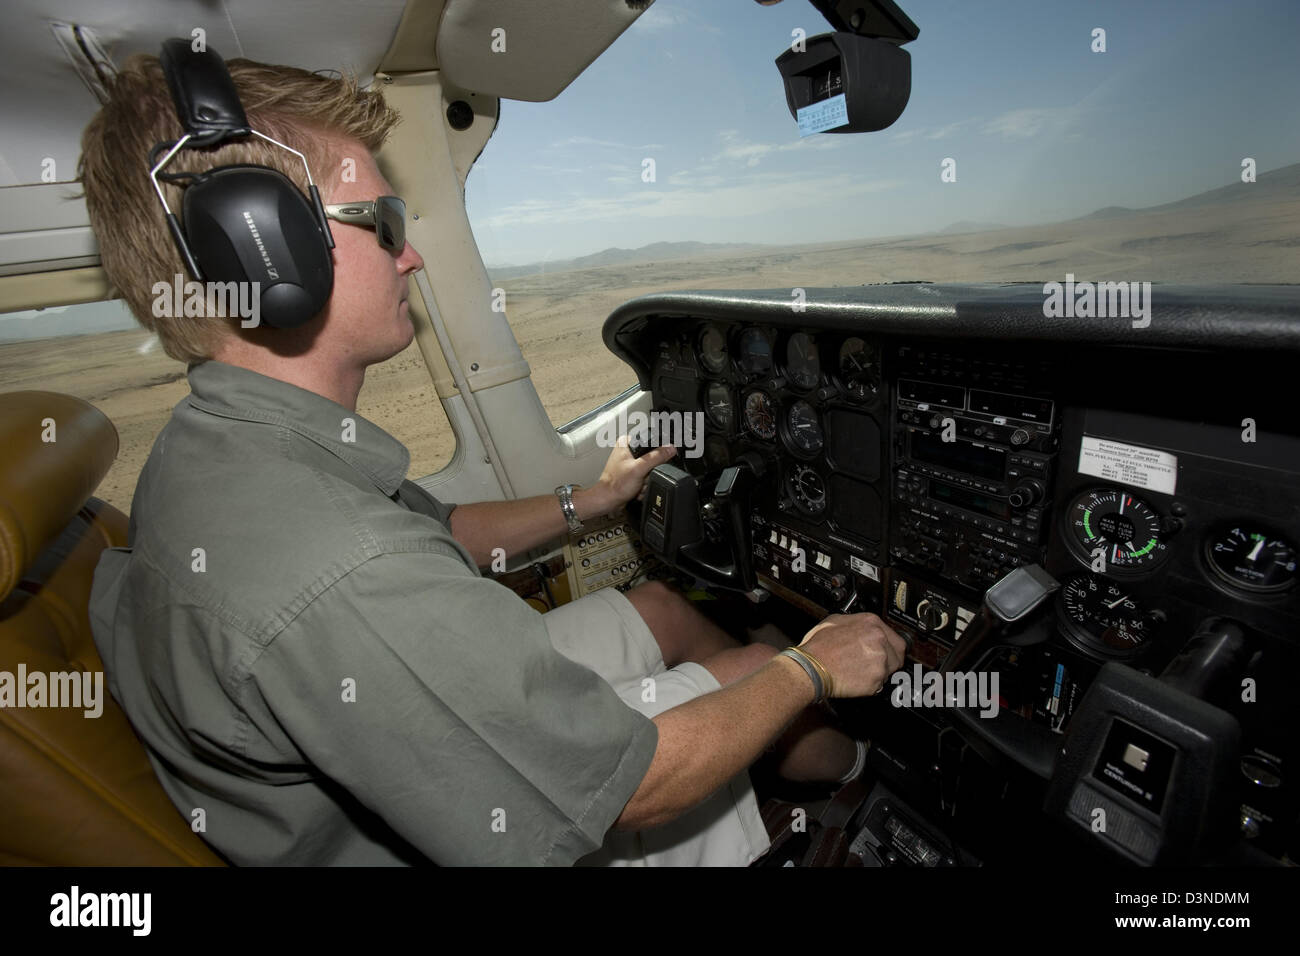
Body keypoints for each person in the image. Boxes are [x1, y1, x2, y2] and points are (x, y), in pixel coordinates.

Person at [82, 52, 908, 866]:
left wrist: (598, 498)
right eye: (385, 224)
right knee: (761, 665)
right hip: (522, 822)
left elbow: (439, 530)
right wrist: (813, 667)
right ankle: (855, 804)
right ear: (266, 255)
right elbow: (632, 788)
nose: (411, 256)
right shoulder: (341, 566)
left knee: (660, 605)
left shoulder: (227, 447)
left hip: (389, 713)